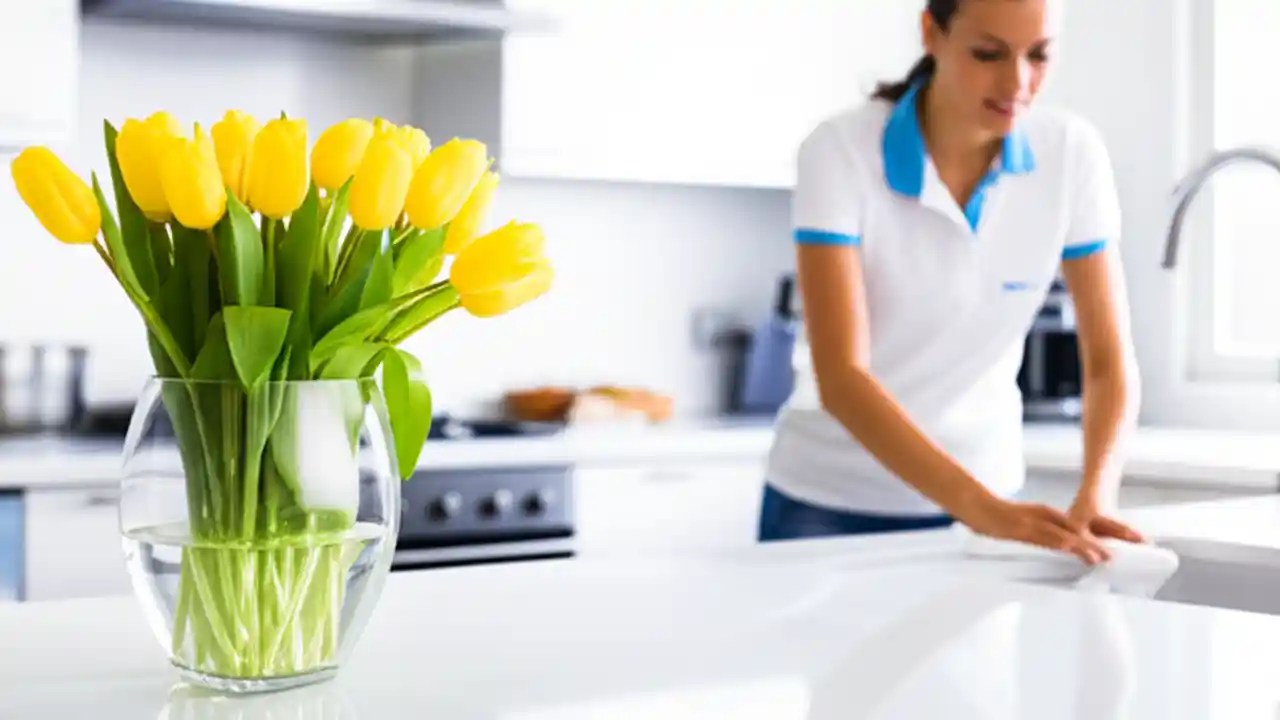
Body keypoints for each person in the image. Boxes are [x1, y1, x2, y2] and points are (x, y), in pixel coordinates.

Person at [759, 0, 1144, 564]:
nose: (1017, 82)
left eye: (1039, 55)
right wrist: (981, 509)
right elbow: (842, 376)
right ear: (931, 33)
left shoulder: (1071, 156)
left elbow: (1109, 362)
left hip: (990, 495)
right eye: (988, 53)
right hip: (831, 502)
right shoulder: (841, 151)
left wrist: (1096, 494)